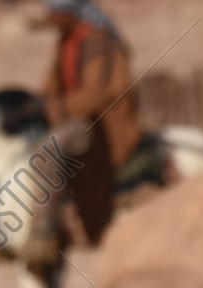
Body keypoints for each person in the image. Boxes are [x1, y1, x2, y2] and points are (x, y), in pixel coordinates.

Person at [39, 0, 145, 242]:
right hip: (76, 117)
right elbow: (52, 83)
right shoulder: (67, 41)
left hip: (104, 123)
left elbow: (96, 94)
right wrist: (40, 103)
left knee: (52, 146)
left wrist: (57, 109)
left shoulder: (99, 43)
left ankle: (44, 230)